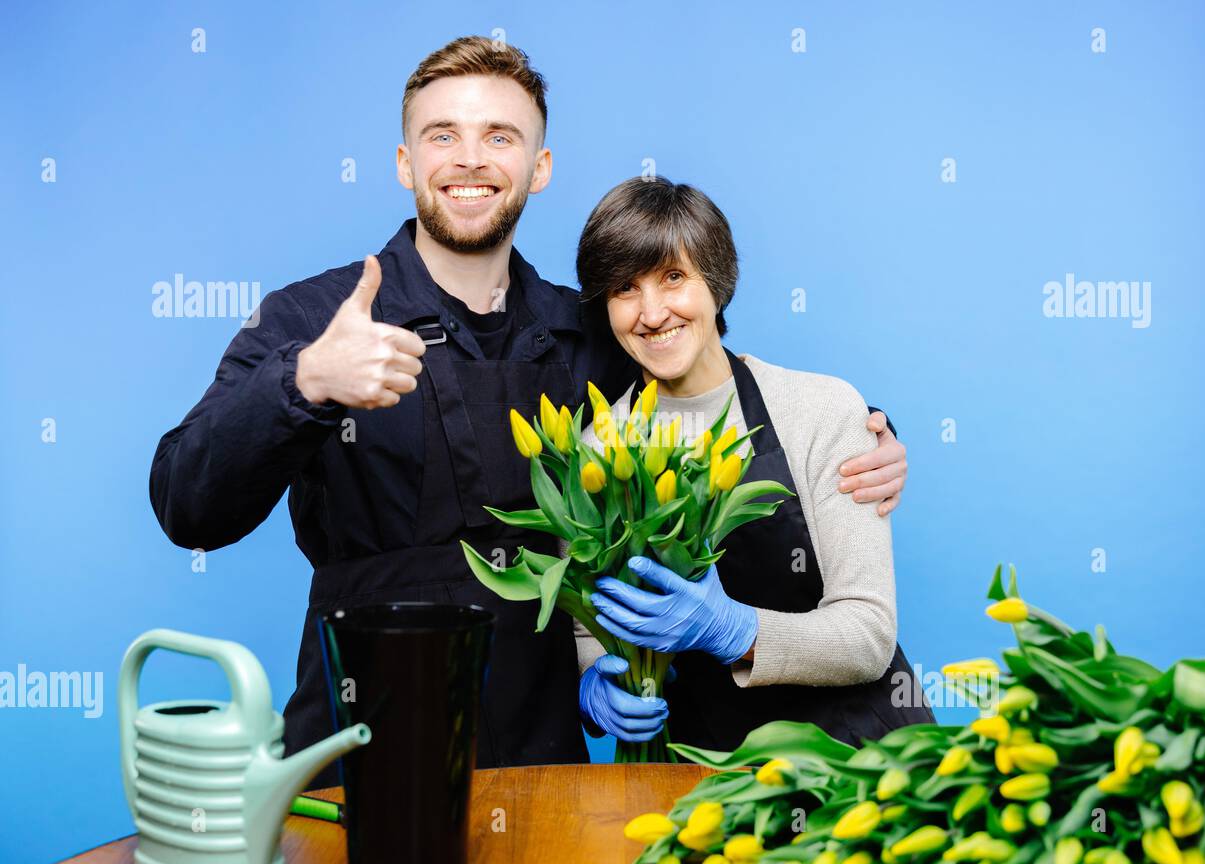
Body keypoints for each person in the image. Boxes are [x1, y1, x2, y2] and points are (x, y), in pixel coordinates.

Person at [149, 37, 910, 789]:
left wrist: (865, 429)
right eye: (442, 135)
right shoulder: (313, 317)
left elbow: (704, 378)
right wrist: (304, 381)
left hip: (543, 756)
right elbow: (188, 505)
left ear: (537, 168)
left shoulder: (588, 334)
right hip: (356, 739)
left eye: (499, 137)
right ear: (405, 162)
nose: (470, 159)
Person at [573, 177, 935, 753]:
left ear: (714, 283)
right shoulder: (598, 448)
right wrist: (598, 680)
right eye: (624, 288)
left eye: (673, 277)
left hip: (858, 762)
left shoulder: (821, 410)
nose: (651, 311)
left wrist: (735, 631)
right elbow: (587, 618)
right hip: (705, 770)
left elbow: (869, 635)